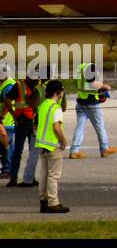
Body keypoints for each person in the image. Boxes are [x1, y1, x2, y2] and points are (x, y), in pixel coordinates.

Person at [68, 62, 117, 159]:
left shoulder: (80, 67)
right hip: (92, 104)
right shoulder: (90, 67)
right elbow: (92, 83)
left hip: (81, 102)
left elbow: (78, 83)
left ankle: (74, 151)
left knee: (80, 127)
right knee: (99, 126)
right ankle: (104, 149)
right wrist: (105, 86)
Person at [34, 79, 69, 213]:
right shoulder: (56, 108)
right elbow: (56, 127)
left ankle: (43, 201)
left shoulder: (43, 105)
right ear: (57, 92)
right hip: (53, 144)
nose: (62, 92)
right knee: (53, 175)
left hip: (42, 144)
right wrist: (63, 141)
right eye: (61, 90)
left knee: (43, 174)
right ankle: (53, 202)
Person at [8, 77, 42, 188]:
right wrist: (14, 115)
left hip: (32, 122)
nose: (37, 81)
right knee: (18, 150)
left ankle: (30, 177)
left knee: (33, 151)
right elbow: (7, 100)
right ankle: (13, 178)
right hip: (22, 122)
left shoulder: (36, 87)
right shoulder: (19, 85)